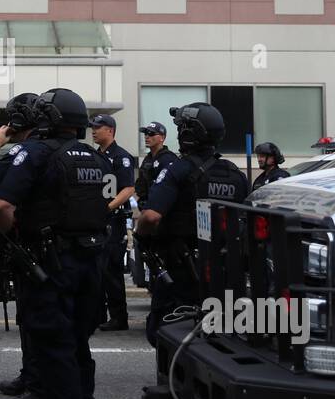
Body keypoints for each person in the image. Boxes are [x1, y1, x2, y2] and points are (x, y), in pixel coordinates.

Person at [0, 88, 112, 399]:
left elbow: (2, 203)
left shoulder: (37, 152)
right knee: (79, 349)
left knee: (55, 352)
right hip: (90, 264)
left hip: (50, 265)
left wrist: (12, 237)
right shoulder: (93, 156)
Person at [134, 103, 249, 347]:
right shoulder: (235, 174)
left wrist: (140, 234)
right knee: (219, 329)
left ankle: (171, 380)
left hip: (181, 265)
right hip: (223, 267)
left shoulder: (178, 169)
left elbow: (151, 216)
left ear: (188, 134)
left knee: (164, 328)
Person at [0, 92, 46, 399]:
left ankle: (38, 384)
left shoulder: (24, 151)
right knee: (33, 317)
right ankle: (31, 375)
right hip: (56, 249)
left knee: (34, 318)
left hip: (33, 247)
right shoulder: (55, 148)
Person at [89, 115, 136, 331]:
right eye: (93, 127)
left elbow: (128, 188)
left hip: (113, 220)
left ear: (110, 130)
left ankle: (119, 317)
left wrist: (107, 207)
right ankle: (97, 314)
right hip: (93, 220)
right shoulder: (92, 156)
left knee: (111, 269)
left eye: (98, 128)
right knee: (95, 269)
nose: (94, 131)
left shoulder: (121, 157)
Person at [133, 122, 179, 288]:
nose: (147, 137)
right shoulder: (147, 160)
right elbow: (140, 186)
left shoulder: (168, 159)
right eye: (146, 133)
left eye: (151, 134)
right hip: (148, 213)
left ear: (162, 137)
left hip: (162, 219)